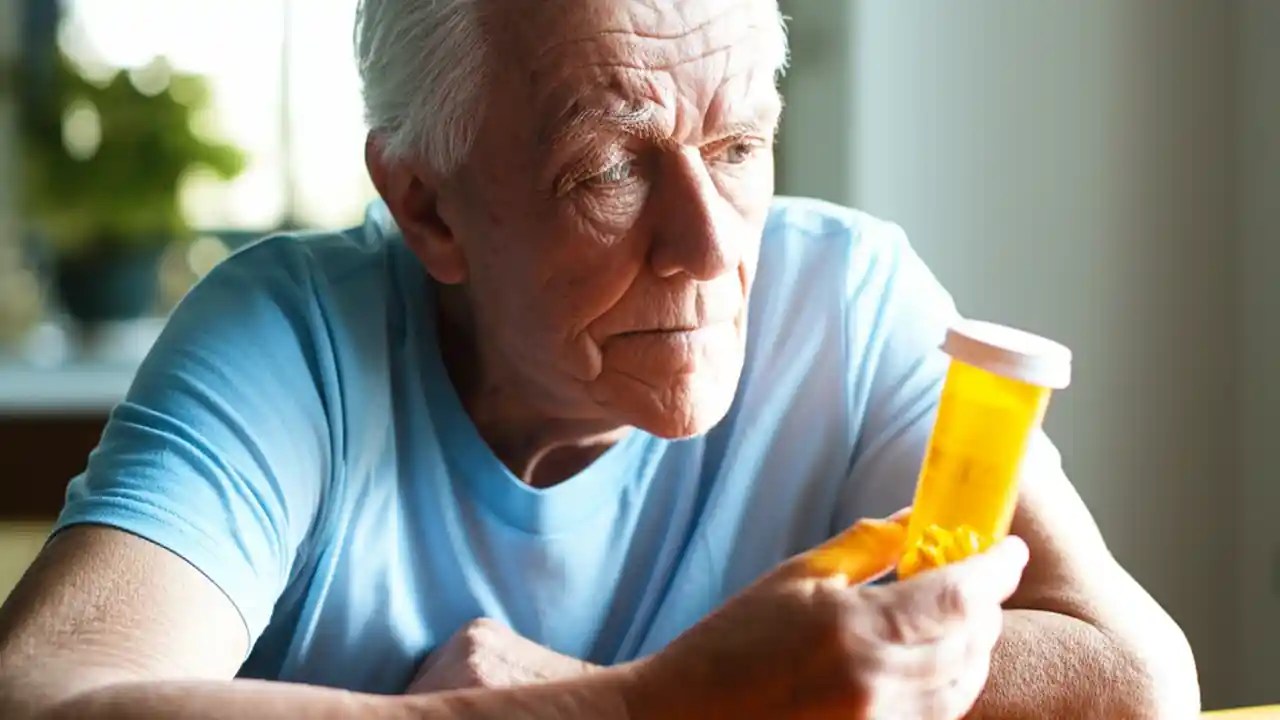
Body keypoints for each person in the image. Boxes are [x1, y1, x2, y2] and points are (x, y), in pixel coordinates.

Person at [0, 0, 1199, 718]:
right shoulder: (290, 341)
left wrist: (591, 693)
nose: (710, 247)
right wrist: (648, 707)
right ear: (425, 205)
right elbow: (42, 704)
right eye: (611, 169)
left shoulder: (846, 294)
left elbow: (1132, 680)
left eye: (737, 148)